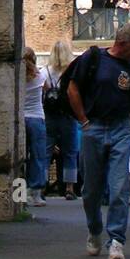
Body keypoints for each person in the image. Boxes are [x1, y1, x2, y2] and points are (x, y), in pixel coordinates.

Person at [67, 23, 130, 259]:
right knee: (91, 190)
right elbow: (73, 87)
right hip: (94, 127)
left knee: (119, 187)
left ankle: (116, 240)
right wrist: (83, 119)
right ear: (121, 44)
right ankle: (94, 230)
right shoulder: (93, 59)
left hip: (121, 128)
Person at [43, 40, 78, 199]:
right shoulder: (72, 72)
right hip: (67, 115)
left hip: (49, 115)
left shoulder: (45, 72)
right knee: (70, 152)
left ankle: (42, 185)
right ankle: (70, 187)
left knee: (46, 151)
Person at [22, 46, 48, 207]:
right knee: (38, 156)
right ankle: (36, 193)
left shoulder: (16, 76)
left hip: (21, 117)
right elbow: (48, 89)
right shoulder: (40, 77)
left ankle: (20, 195)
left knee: (21, 158)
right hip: (37, 118)